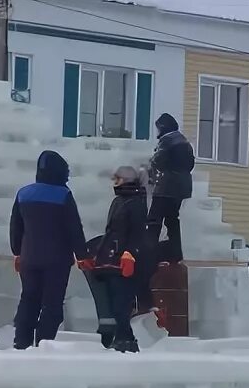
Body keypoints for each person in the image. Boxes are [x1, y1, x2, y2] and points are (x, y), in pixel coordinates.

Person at [10, 150, 90, 349]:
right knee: (52, 304)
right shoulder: (63, 195)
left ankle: (21, 341)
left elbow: (15, 227)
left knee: (29, 299)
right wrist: (82, 255)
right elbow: (74, 227)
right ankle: (44, 343)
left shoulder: (23, 194)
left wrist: (17, 253)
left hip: (29, 257)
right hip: (57, 260)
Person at [85, 166, 148, 353]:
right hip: (109, 260)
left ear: (126, 180)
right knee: (114, 303)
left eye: (118, 179)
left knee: (121, 303)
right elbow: (111, 231)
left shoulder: (136, 203)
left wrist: (130, 253)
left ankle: (125, 340)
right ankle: (124, 338)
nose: (115, 183)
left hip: (123, 260)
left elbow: (137, 232)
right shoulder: (119, 201)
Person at [147, 112, 195, 262]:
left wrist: (151, 165)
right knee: (172, 219)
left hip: (166, 187)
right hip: (183, 187)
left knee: (154, 219)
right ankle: (176, 253)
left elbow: (157, 161)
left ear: (163, 127)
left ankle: (149, 252)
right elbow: (190, 164)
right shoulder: (184, 142)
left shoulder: (167, 141)